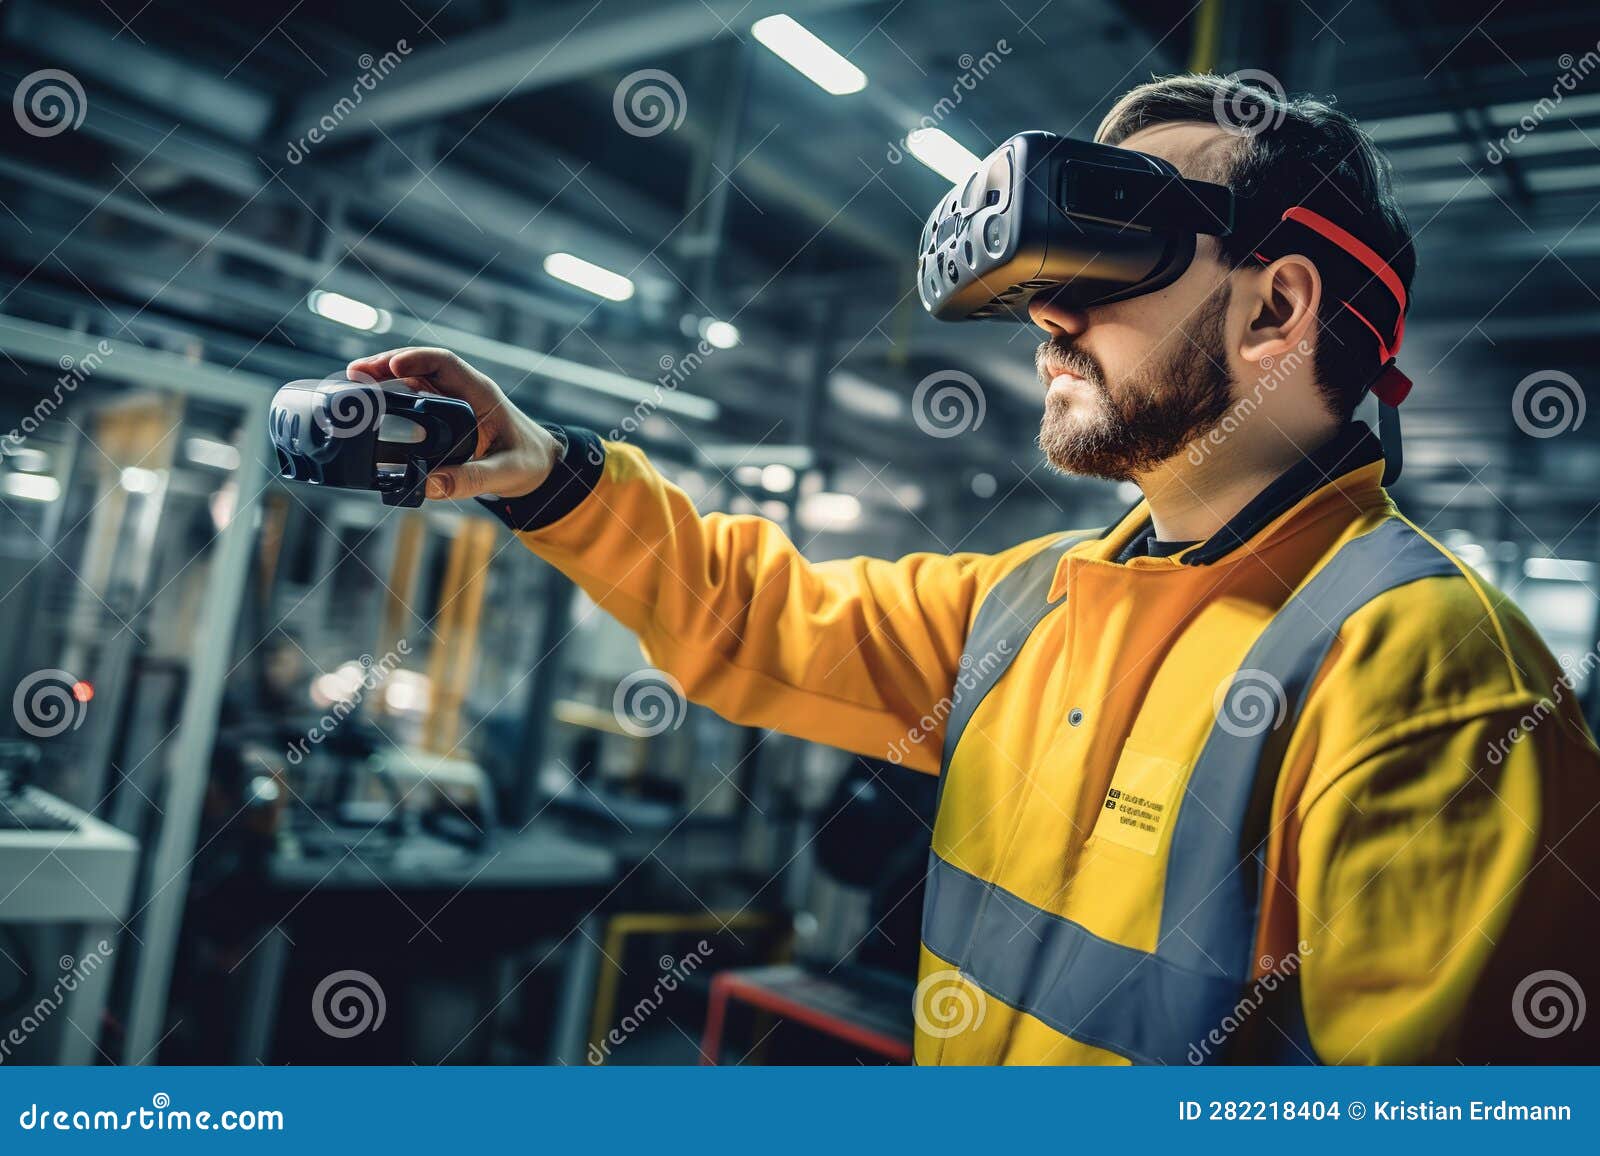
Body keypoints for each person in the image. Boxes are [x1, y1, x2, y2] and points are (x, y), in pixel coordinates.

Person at [348, 74, 1600, 1065]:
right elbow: (753, 617)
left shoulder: (1427, 677)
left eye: (1121, 255)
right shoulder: (1029, 604)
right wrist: (543, 473)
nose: (1051, 317)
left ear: (1277, 311)